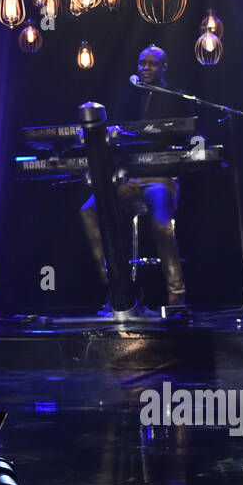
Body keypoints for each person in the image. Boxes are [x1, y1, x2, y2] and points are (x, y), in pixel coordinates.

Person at [79, 45, 188, 307]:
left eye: (152, 64)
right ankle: (117, 288)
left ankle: (176, 295)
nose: (146, 68)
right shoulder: (127, 97)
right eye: (142, 63)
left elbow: (183, 136)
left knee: (161, 224)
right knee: (89, 211)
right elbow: (113, 135)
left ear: (164, 68)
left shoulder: (176, 97)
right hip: (129, 178)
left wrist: (141, 135)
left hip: (160, 179)